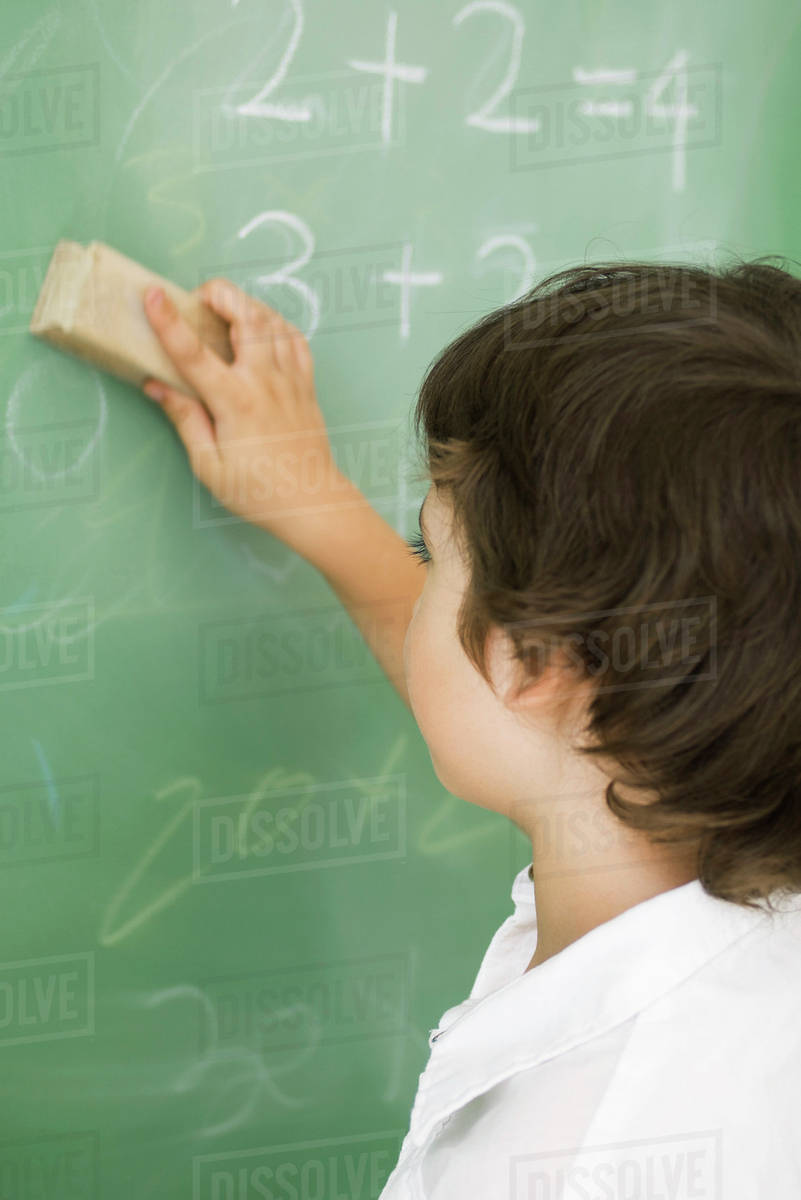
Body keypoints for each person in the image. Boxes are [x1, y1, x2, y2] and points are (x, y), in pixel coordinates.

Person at [142, 256, 801, 1198]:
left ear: (530, 662)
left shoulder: (587, 1154)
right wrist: (311, 499)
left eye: (430, 552)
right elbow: (506, 693)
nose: (420, 587)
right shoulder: (715, 862)